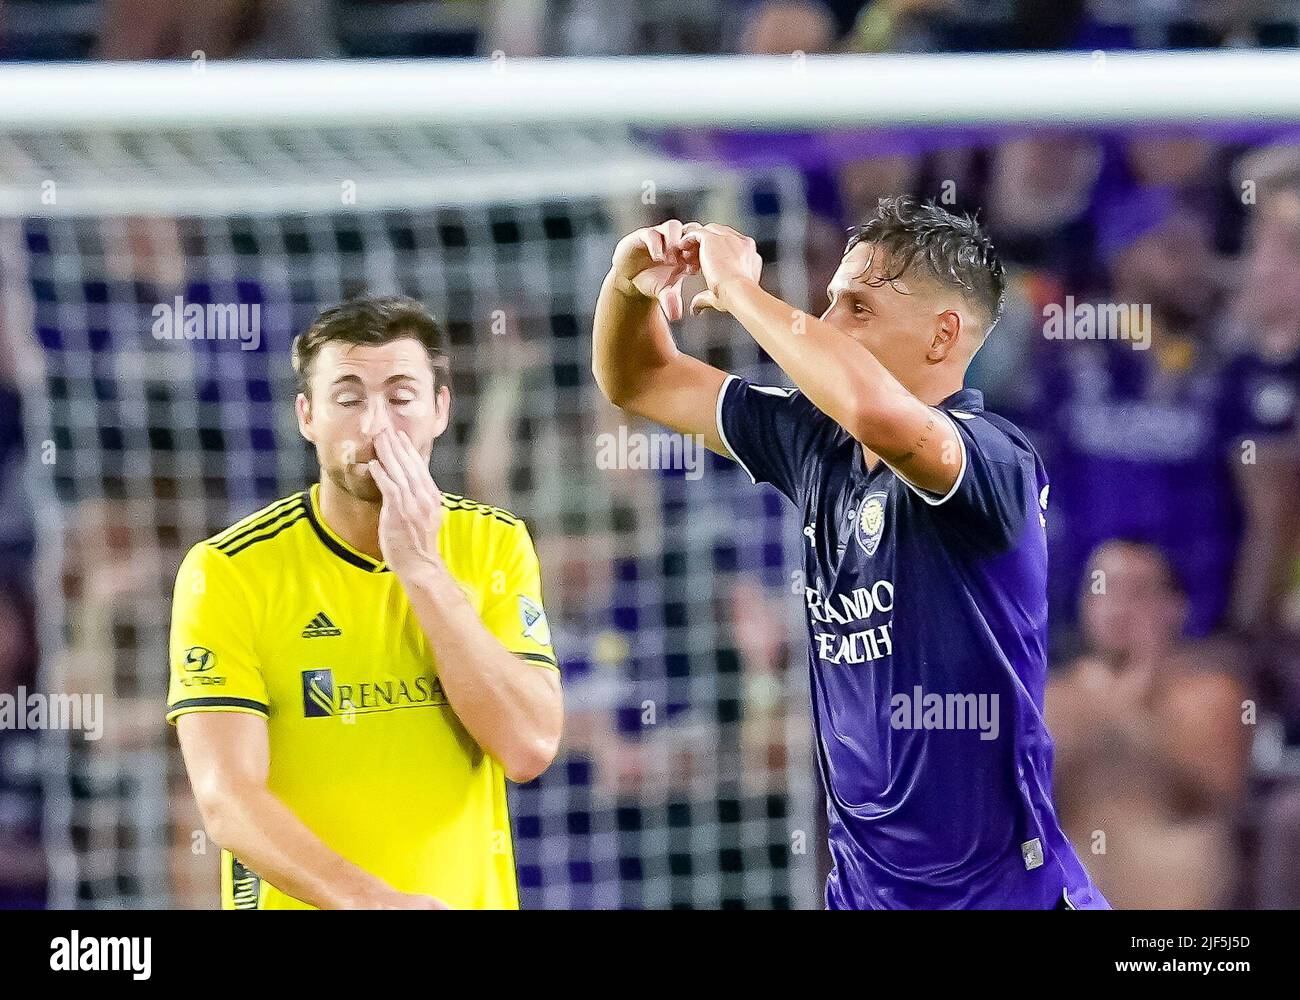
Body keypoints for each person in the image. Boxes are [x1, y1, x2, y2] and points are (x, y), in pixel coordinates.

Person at [592, 197, 1107, 908]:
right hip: (866, 895)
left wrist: (741, 291)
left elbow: (876, 412)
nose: (827, 323)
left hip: (1003, 894)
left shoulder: (992, 461)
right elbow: (639, 379)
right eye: (829, 302)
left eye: (857, 308)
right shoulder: (814, 445)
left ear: (942, 336)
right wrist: (627, 285)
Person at [167, 296, 563, 909]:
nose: (376, 426)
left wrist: (422, 571)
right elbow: (227, 801)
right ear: (307, 417)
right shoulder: (227, 572)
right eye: (348, 399)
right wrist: (371, 901)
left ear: (440, 410)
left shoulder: (494, 544)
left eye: (401, 397)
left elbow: (528, 746)